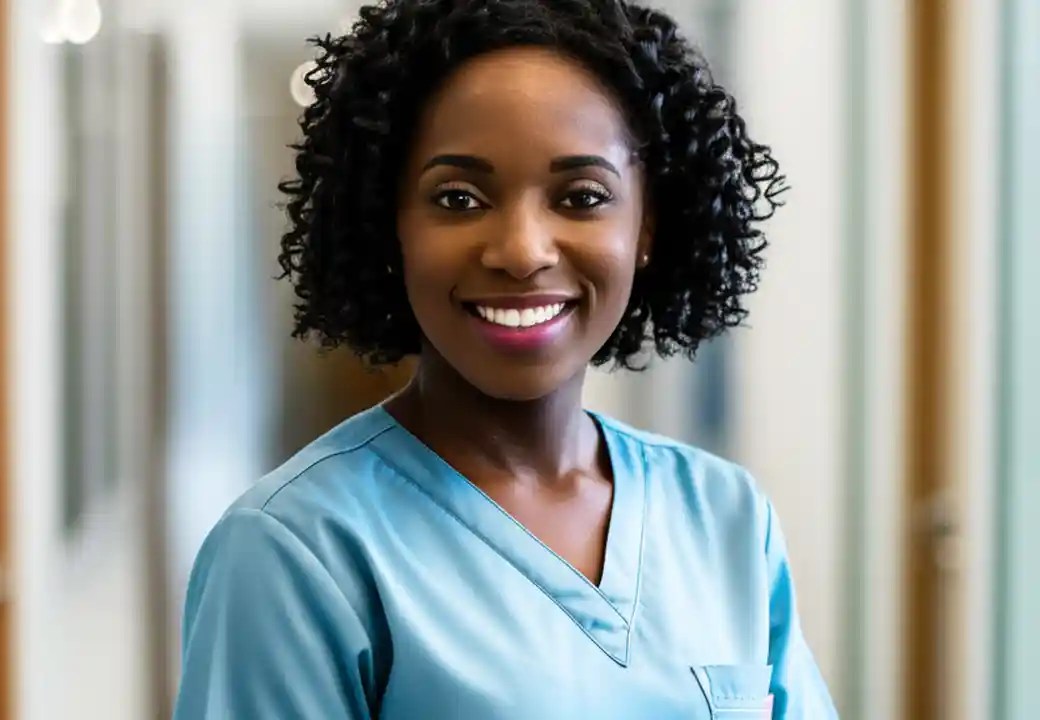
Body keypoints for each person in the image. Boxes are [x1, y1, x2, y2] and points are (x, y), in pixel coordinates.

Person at [174, 1, 836, 717]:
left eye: (582, 197)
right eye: (458, 198)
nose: (521, 251)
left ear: (648, 225)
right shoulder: (296, 551)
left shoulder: (726, 517)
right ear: (387, 221)